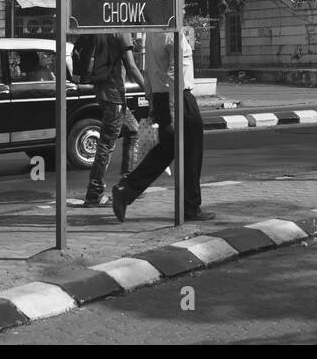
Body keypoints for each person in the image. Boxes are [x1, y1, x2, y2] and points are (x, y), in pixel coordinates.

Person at [112, 27, 213, 222]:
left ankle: (127, 189)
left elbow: (148, 70)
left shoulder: (153, 33)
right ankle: (190, 207)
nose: (183, 8)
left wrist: (153, 100)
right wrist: (173, 110)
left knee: (166, 150)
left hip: (162, 97)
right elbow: (174, 74)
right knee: (191, 152)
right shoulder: (172, 33)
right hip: (178, 97)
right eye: (181, 4)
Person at [73, 32, 145, 208]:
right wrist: (148, 88)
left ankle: (127, 183)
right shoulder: (121, 33)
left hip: (102, 90)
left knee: (133, 130)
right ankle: (94, 193)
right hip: (114, 95)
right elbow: (131, 67)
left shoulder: (101, 29)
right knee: (106, 145)